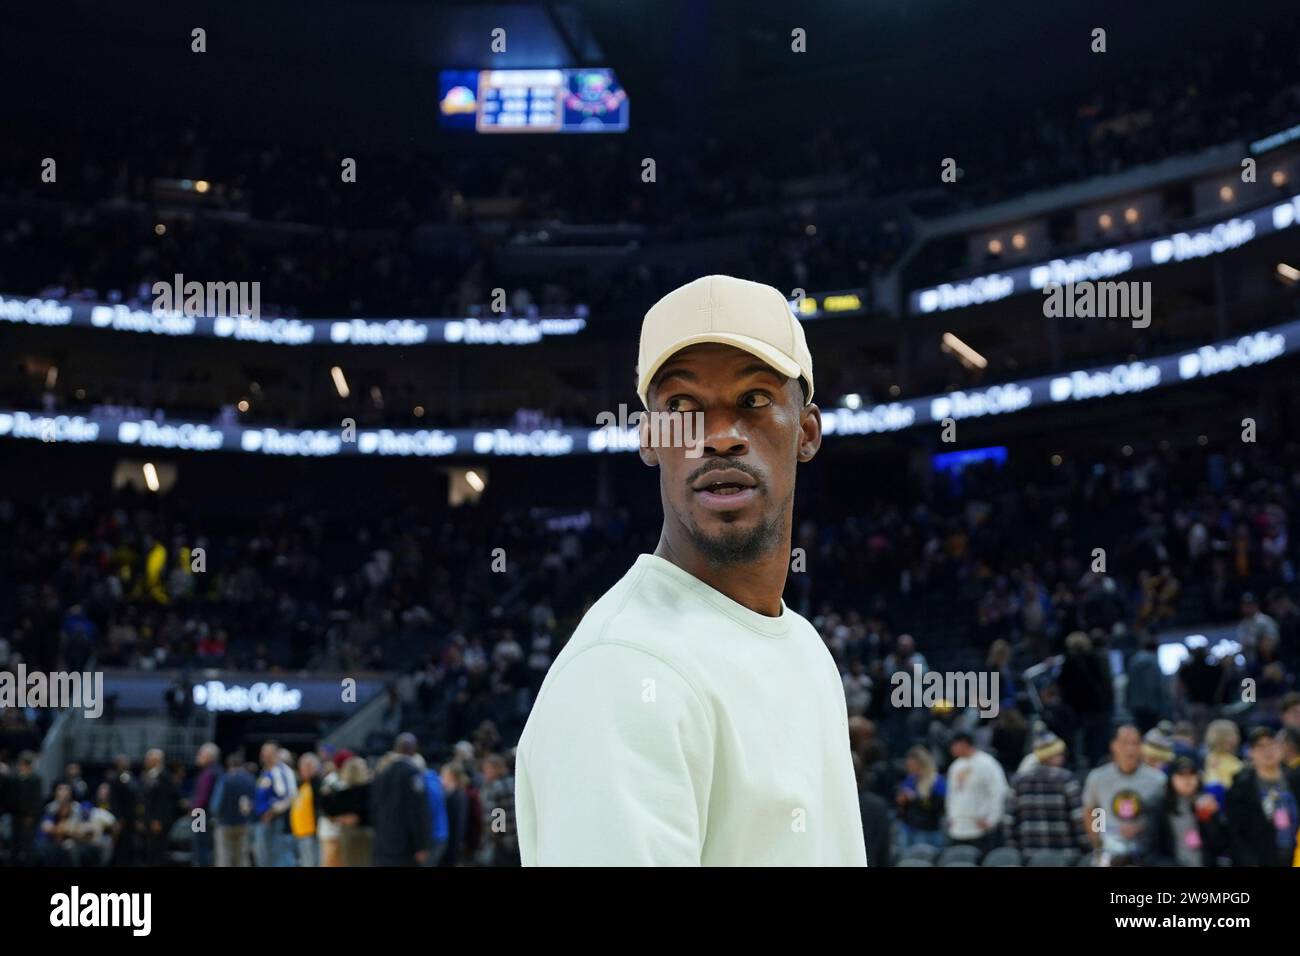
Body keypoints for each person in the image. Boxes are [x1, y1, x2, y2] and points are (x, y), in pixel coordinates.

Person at [515, 275, 864, 866]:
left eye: (754, 399)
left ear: (805, 431)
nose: (720, 438)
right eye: (682, 408)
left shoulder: (804, 645)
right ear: (650, 437)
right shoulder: (623, 670)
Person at [1082, 725, 1167, 865]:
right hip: (1109, 848)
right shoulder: (1097, 777)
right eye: (1125, 743)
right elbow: (1090, 811)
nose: (1130, 749)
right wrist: (1098, 844)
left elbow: (1164, 817)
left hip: (1146, 849)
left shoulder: (1157, 780)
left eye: (1135, 743)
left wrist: (1141, 826)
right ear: (1113, 746)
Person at [1003, 726, 1089, 854]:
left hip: (1030, 856)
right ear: (1052, 755)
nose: (1063, 758)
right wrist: (1086, 847)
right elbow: (1079, 820)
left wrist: (1016, 852)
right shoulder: (1067, 780)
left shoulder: (1018, 782)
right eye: (1060, 754)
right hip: (1065, 857)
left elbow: (1009, 822)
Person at [1225, 727, 1298, 867]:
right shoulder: (1240, 789)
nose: (1267, 750)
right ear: (1251, 752)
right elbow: (1235, 835)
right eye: (1260, 746)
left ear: (1280, 748)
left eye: (1271, 744)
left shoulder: (1295, 779)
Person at [1151, 757, 1229, 867]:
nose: (1187, 780)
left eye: (1192, 775)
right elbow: (1153, 852)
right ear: (1171, 779)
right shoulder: (1160, 807)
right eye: (1181, 775)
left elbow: (1220, 845)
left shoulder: (1206, 802)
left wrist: (1211, 820)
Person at [369, 733, 432, 867]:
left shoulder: (381, 774)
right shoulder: (413, 774)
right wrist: (422, 844)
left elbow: (373, 809)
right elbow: (417, 812)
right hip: (404, 846)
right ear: (414, 750)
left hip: (382, 843)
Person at [944, 731, 1009, 858]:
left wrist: (992, 819)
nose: (951, 749)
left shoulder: (987, 764)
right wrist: (951, 817)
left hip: (980, 826)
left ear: (963, 744)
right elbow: (951, 795)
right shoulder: (955, 766)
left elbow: (999, 792)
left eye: (953, 745)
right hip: (958, 827)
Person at [253, 742, 296, 867]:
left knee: (277, 857)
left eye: (267, 752)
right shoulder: (266, 771)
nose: (263, 755)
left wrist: (272, 812)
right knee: (264, 857)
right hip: (263, 819)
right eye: (262, 752)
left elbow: (289, 796)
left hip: (275, 821)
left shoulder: (281, 771)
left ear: (275, 753)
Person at [895, 745, 946, 849]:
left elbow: (938, 807)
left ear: (921, 764)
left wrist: (916, 799)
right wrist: (902, 799)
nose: (910, 768)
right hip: (908, 826)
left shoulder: (936, 781)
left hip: (927, 830)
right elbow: (901, 799)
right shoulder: (910, 779)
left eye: (912, 765)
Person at [211, 752, 255, 867]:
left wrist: (216, 816)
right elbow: (255, 801)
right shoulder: (250, 779)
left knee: (224, 857)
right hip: (244, 824)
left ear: (229, 765)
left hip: (225, 823)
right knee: (243, 857)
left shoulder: (225, 779)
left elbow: (216, 804)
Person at [475, 753, 517, 866]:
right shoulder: (514, 782)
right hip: (518, 840)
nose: (484, 773)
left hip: (503, 845)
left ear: (495, 768)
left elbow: (496, 824)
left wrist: (496, 841)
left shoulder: (493, 788)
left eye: (486, 769)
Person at [189, 742, 221, 867]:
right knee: (206, 846)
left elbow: (202, 797)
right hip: (209, 815)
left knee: (200, 845)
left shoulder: (208, 773)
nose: (198, 756)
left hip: (201, 814)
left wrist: (193, 808)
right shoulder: (217, 770)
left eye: (201, 754)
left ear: (209, 756)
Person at [290, 752, 322, 867]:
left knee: (311, 863)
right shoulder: (303, 785)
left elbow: (319, 808)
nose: (301, 771)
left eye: (303, 767)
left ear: (311, 767)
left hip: (311, 833)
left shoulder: (317, 784)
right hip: (300, 833)